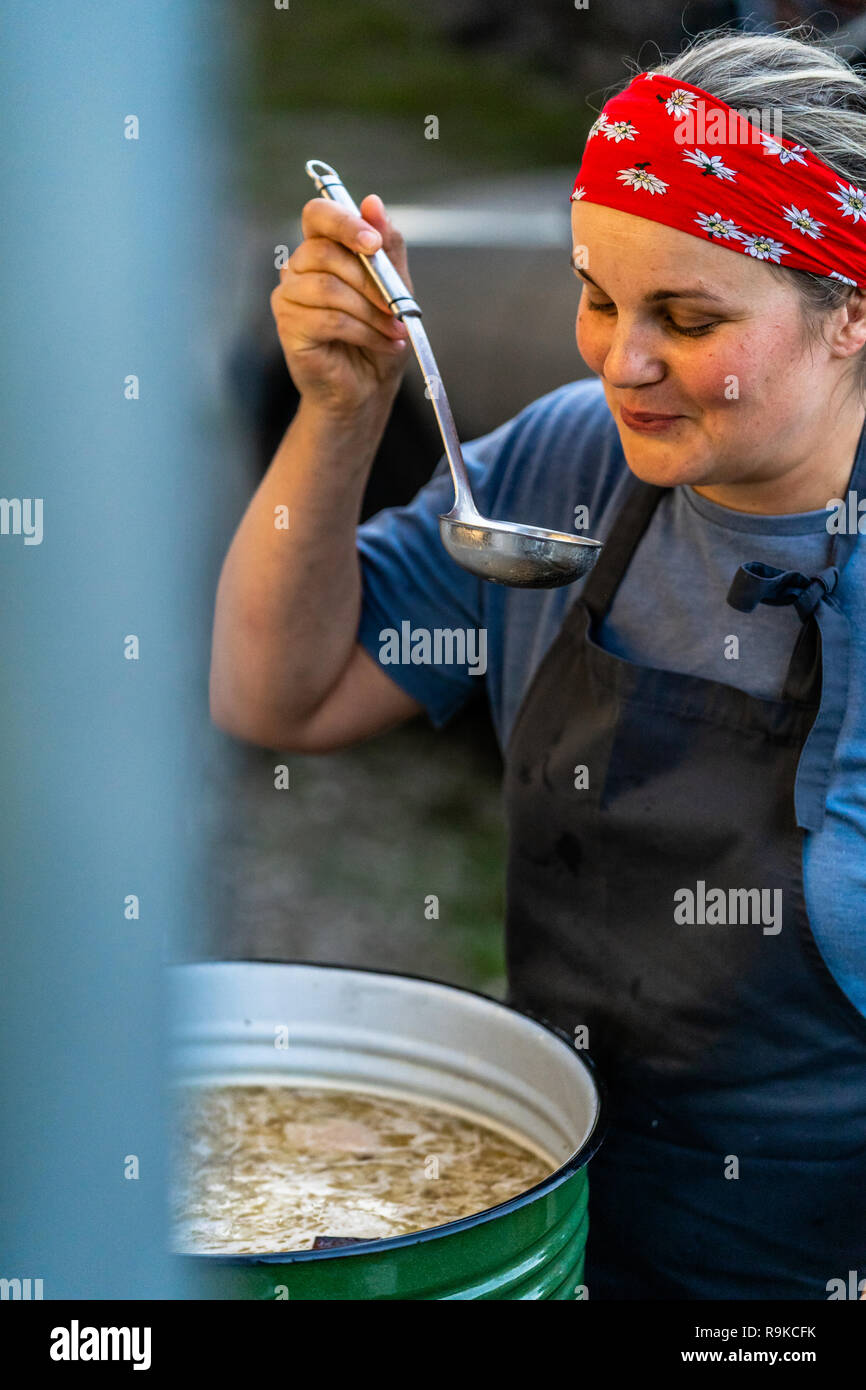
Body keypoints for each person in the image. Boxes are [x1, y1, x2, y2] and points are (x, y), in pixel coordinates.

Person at [209, 27, 866, 1299]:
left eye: (685, 317)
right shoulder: (570, 464)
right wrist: (342, 414)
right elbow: (276, 693)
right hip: (547, 1232)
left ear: (847, 312)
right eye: (598, 295)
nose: (619, 362)